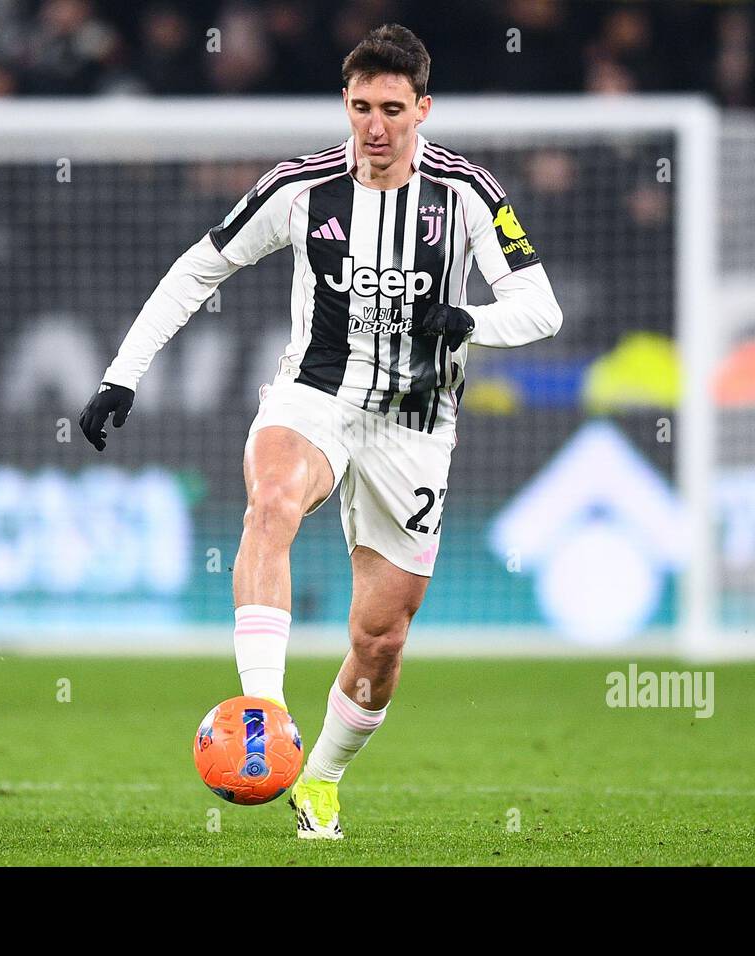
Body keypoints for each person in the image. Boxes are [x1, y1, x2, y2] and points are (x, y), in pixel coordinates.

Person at [79, 23, 562, 839]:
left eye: (393, 109)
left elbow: (542, 308)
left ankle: (324, 779)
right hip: (316, 397)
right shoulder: (300, 188)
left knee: (380, 642)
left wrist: (467, 319)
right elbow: (201, 266)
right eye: (361, 106)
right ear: (346, 103)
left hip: (415, 424)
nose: (375, 127)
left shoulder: (467, 191)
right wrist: (123, 371)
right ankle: (262, 718)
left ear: (423, 108)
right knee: (270, 503)